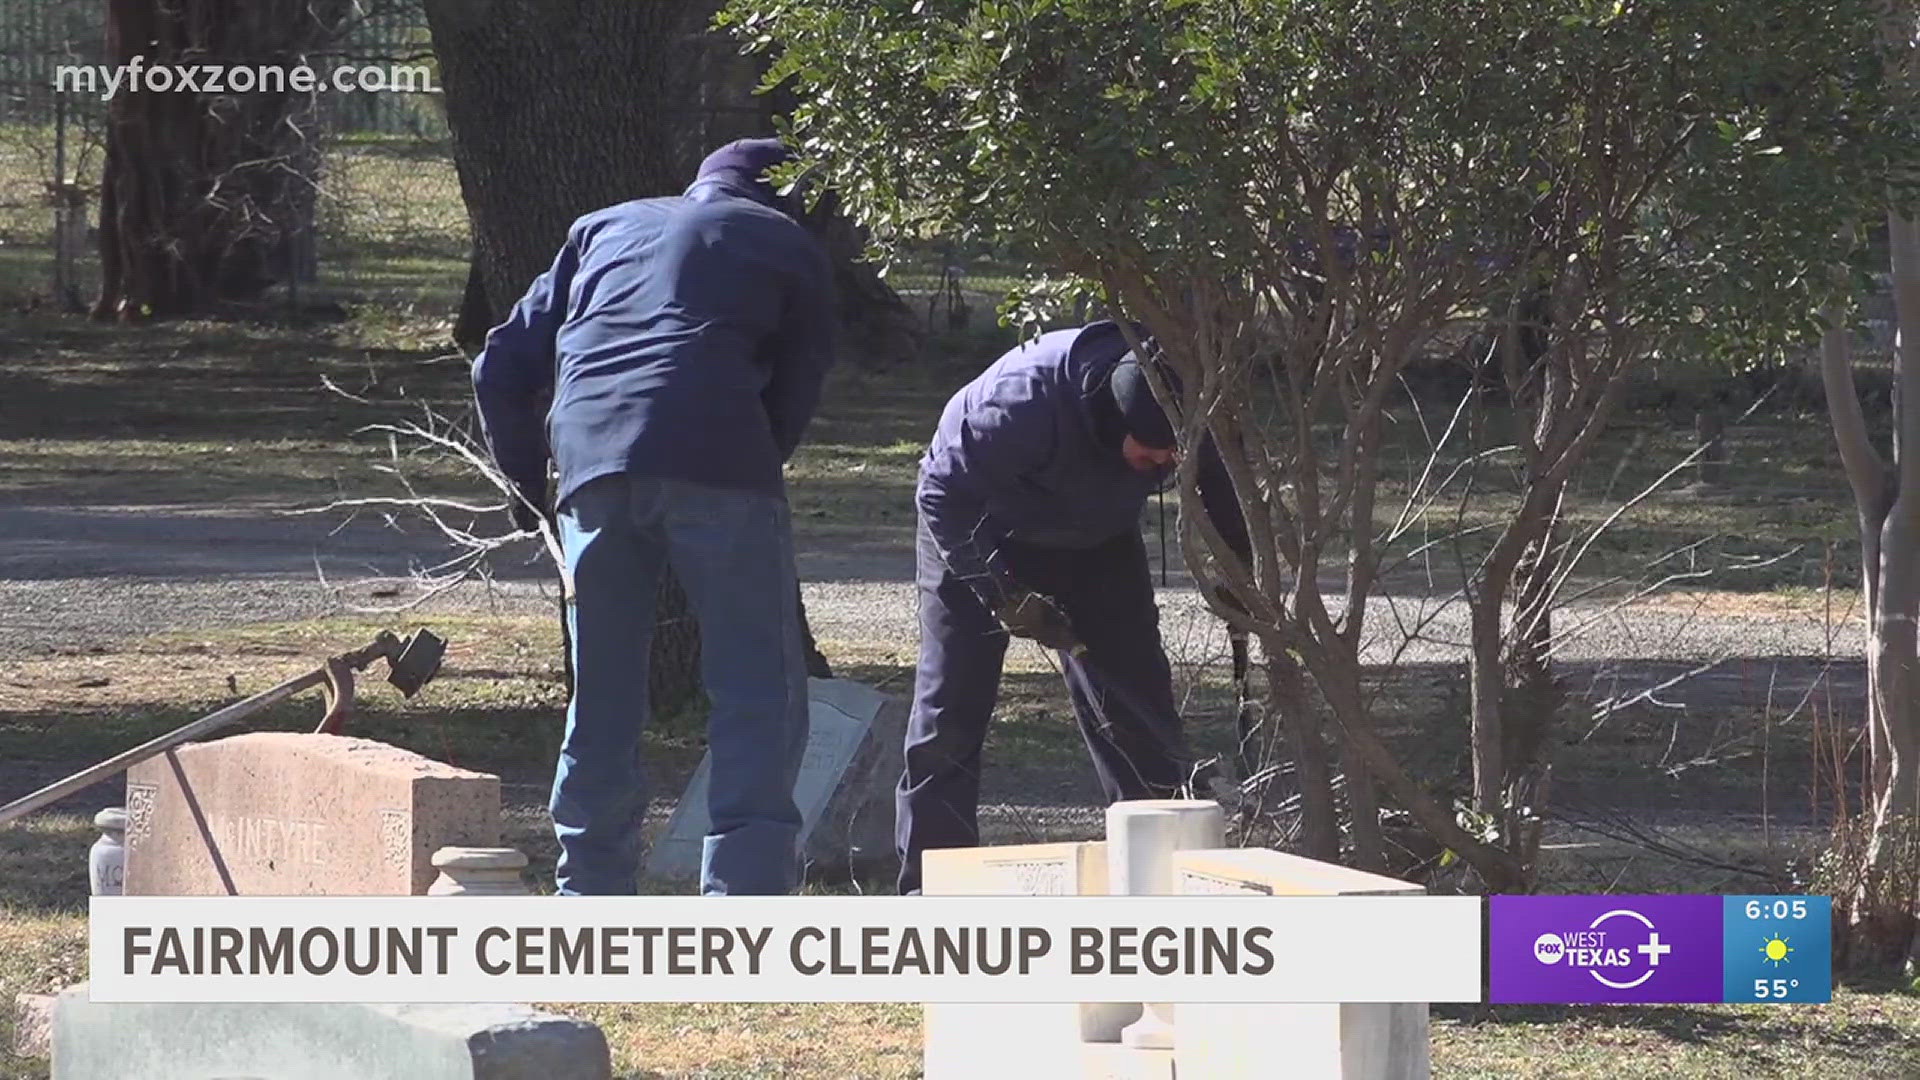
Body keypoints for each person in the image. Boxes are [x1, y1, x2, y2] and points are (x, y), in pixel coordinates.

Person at [471, 138, 838, 897]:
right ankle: (745, 901)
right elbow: (799, 382)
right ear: (790, 197)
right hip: (720, 458)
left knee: (603, 691)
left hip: (591, 467)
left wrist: (525, 482)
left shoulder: (601, 227)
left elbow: (498, 363)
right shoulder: (784, 241)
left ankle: (591, 893)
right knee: (756, 686)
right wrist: (752, 461)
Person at [896, 320, 1252, 895]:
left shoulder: (1179, 396)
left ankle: (1159, 884)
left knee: (1137, 703)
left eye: (1173, 453)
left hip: (1098, 539)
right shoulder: (1017, 404)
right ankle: (930, 892)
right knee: (950, 711)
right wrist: (1001, 593)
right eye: (1152, 452)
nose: (1165, 461)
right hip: (980, 531)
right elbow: (942, 495)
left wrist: (1240, 576)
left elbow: (1220, 485)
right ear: (1113, 420)